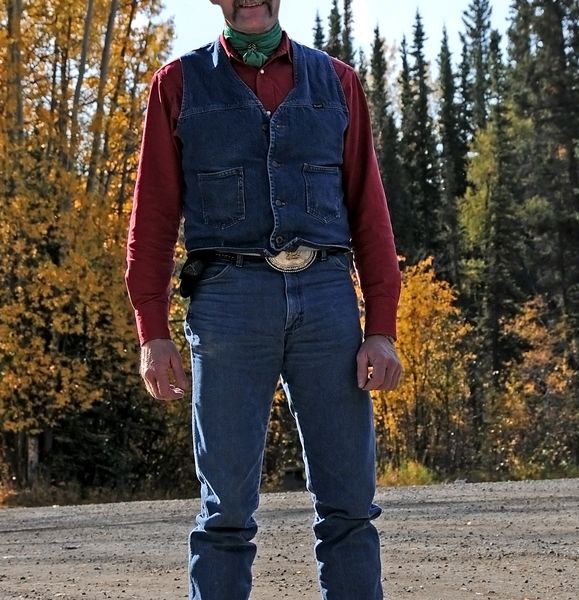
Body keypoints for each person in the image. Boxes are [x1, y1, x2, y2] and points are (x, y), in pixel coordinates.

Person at [125, 1, 403, 598]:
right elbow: (151, 219)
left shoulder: (338, 82)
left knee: (350, 506)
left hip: (328, 299)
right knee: (224, 512)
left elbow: (369, 211)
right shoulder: (176, 85)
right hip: (226, 302)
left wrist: (381, 326)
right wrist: (153, 331)